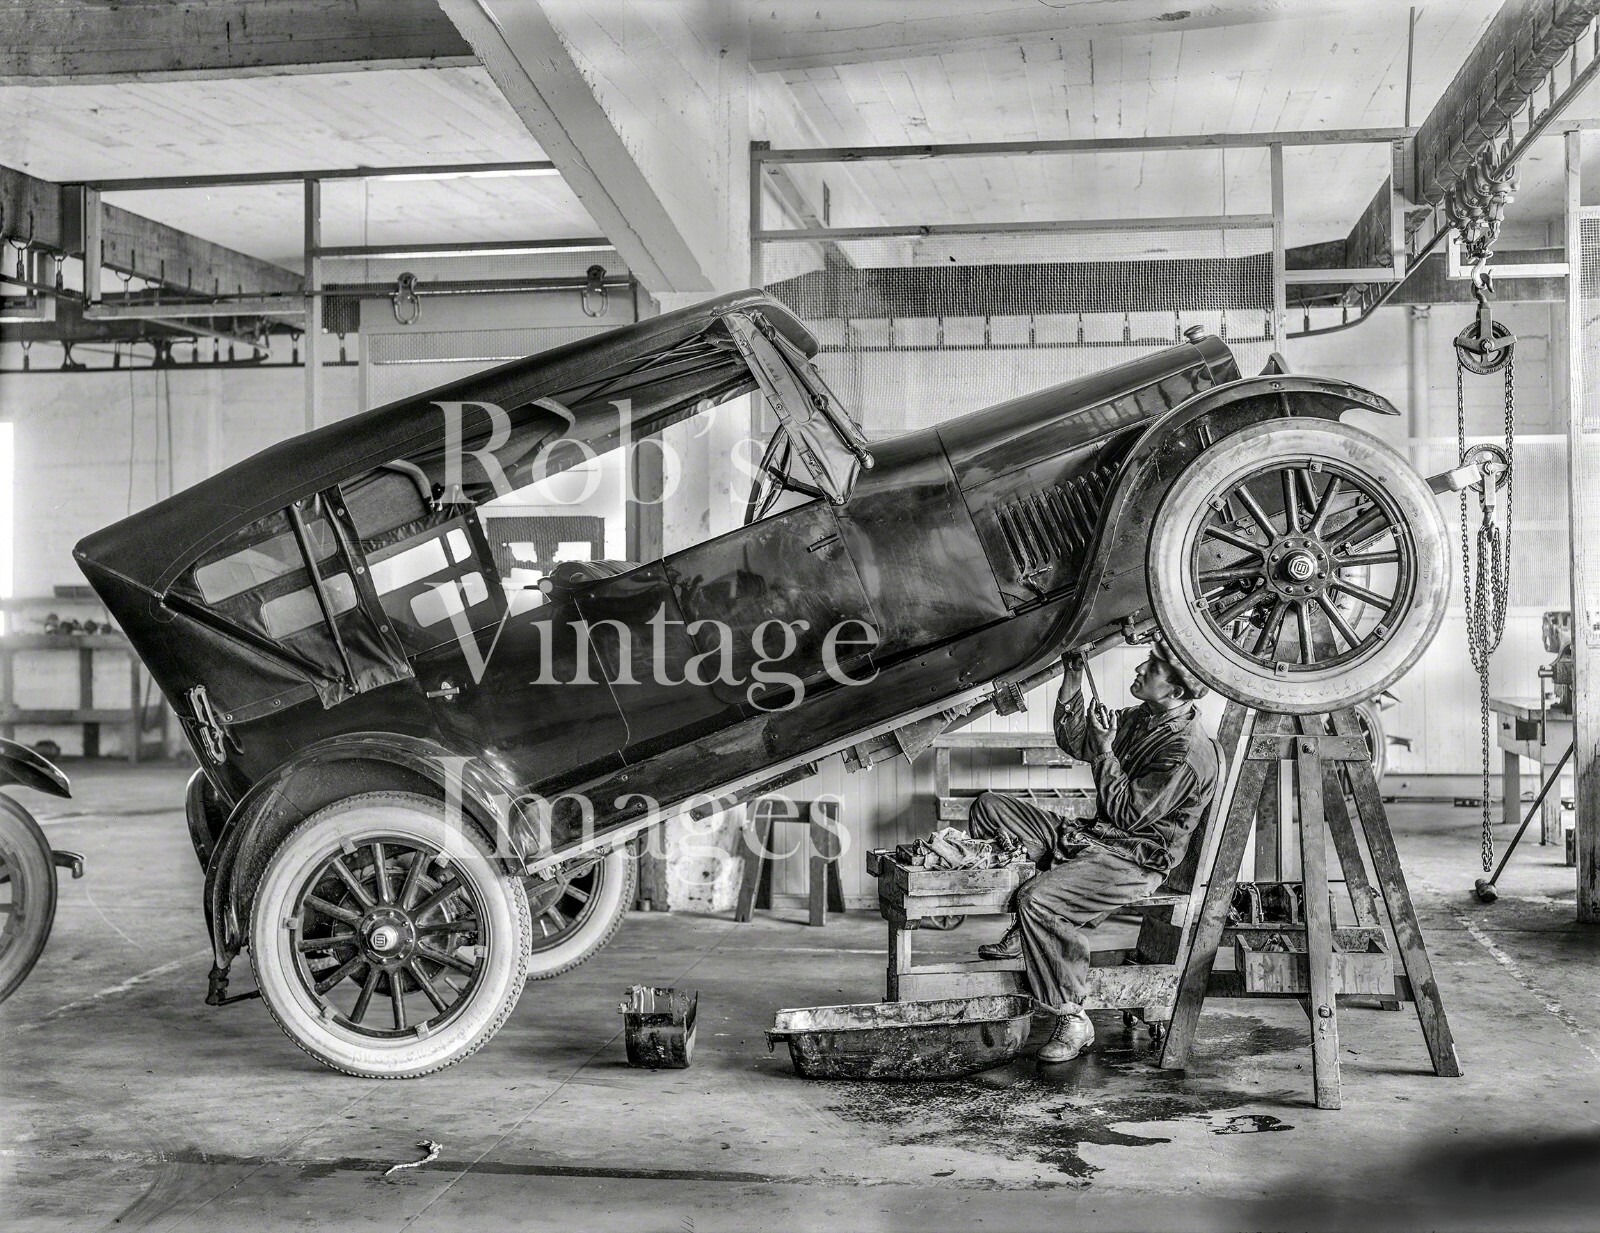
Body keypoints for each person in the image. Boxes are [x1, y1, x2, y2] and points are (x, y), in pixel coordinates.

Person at [967, 640, 1220, 1063]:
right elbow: (1076, 741)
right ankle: (1032, 928)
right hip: (1095, 839)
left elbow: (1127, 815)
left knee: (1037, 900)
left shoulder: (1186, 753)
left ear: (1176, 691)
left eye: (1153, 666)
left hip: (1134, 859)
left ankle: (1072, 1016)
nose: (1141, 667)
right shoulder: (1147, 716)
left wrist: (1105, 751)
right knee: (990, 807)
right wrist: (1073, 678)